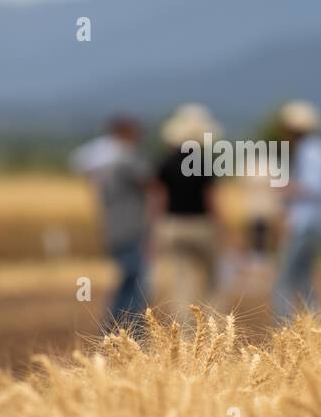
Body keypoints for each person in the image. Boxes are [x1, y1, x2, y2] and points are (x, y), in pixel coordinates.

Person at [69, 115, 153, 329]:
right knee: (135, 282)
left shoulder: (100, 161)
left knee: (128, 279)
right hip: (130, 228)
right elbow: (149, 181)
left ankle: (116, 326)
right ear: (126, 134)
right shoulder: (124, 160)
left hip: (112, 228)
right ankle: (127, 328)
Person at [153, 104, 222, 321]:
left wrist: (155, 228)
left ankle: (185, 332)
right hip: (202, 226)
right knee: (212, 281)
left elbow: (159, 199)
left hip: (173, 226)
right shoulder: (204, 162)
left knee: (181, 282)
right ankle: (212, 327)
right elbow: (211, 200)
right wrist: (223, 228)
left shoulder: (166, 162)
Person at [273, 100, 321, 319]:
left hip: (305, 223)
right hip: (314, 223)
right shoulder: (319, 149)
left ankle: (285, 333)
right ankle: (320, 327)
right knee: (303, 279)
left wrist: (285, 188)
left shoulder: (310, 151)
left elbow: (314, 186)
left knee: (283, 282)